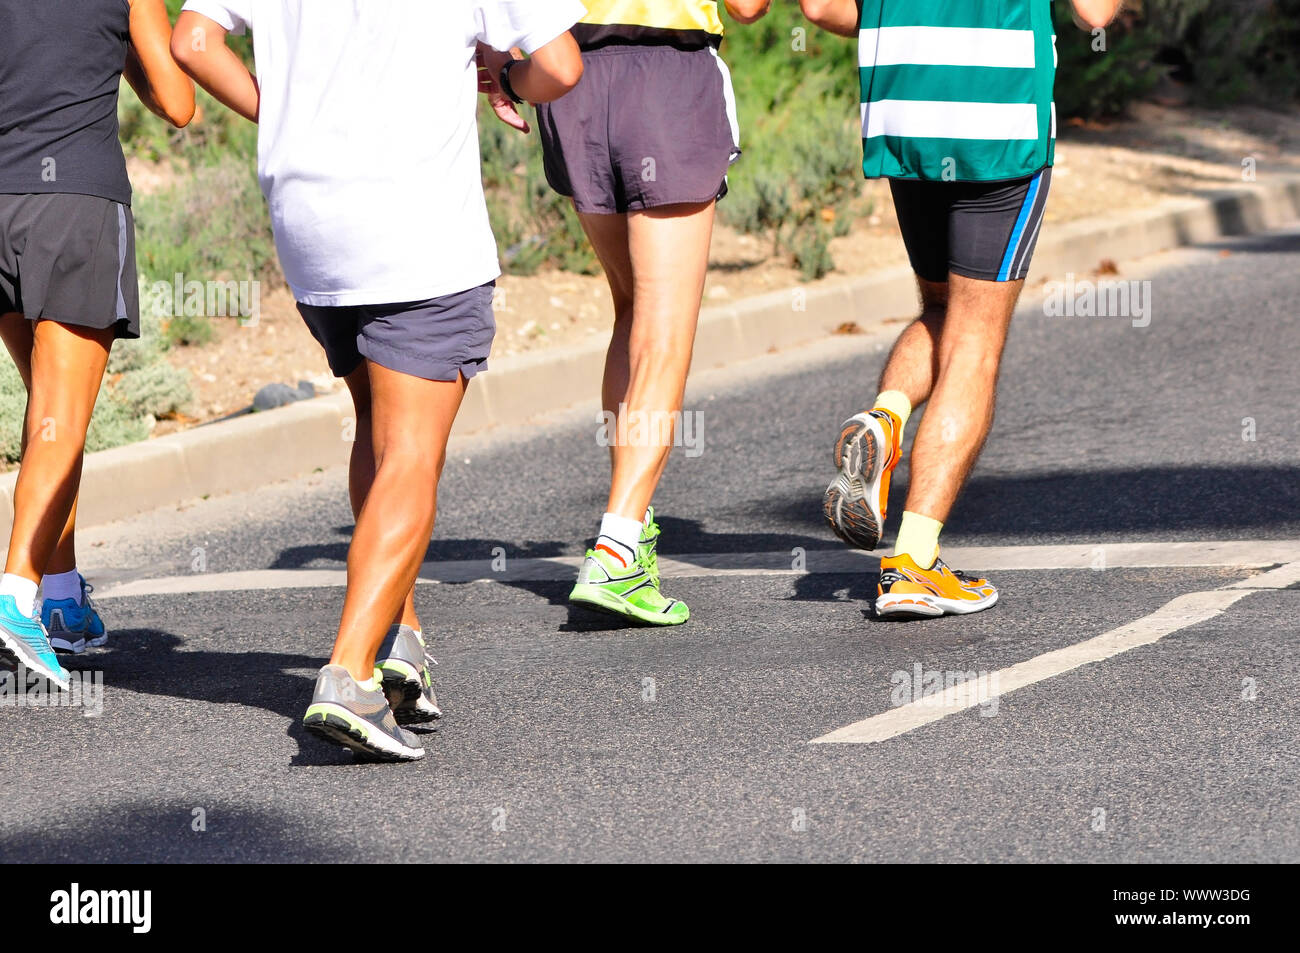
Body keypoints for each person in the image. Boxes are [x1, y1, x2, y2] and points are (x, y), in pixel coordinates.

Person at [172, 0, 584, 761]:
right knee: (412, 455)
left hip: (309, 221)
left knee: (379, 429)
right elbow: (560, 65)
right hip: (413, 224)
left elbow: (192, 41)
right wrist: (507, 78)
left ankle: (402, 635)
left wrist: (284, 116)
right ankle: (350, 675)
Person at [801, 0, 1123, 618]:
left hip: (905, 106)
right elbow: (1095, 13)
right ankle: (913, 562)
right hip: (997, 112)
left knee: (943, 307)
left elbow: (820, 8)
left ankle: (887, 420)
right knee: (975, 339)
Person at [509, 0, 771, 627]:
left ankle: (631, 517)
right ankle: (618, 546)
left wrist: (506, 68)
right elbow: (749, 7)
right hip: (668, 74)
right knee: (664, 322)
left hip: (573, 77)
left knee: (630, 310)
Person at [0, 0, 194, 687]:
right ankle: (16, 594)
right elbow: (177, 102)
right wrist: (125, 51)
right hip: (75, 202)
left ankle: (62, 596)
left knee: (49, 415)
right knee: (62, 412)